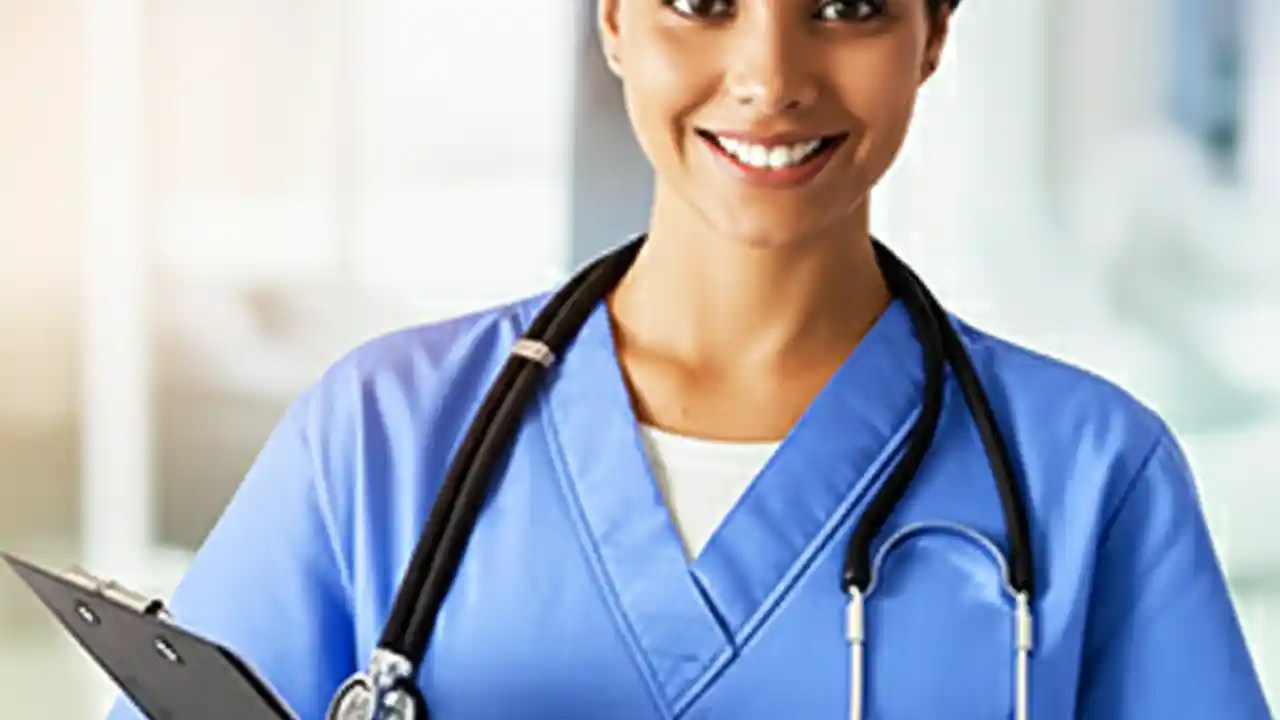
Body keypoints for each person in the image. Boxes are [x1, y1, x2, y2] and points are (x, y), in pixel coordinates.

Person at [110, 0, 1271, 717]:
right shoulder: (383, 433)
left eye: (849, 4)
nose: (769, 76)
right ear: (612, 18)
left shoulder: (1086, 472)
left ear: (935, 33)